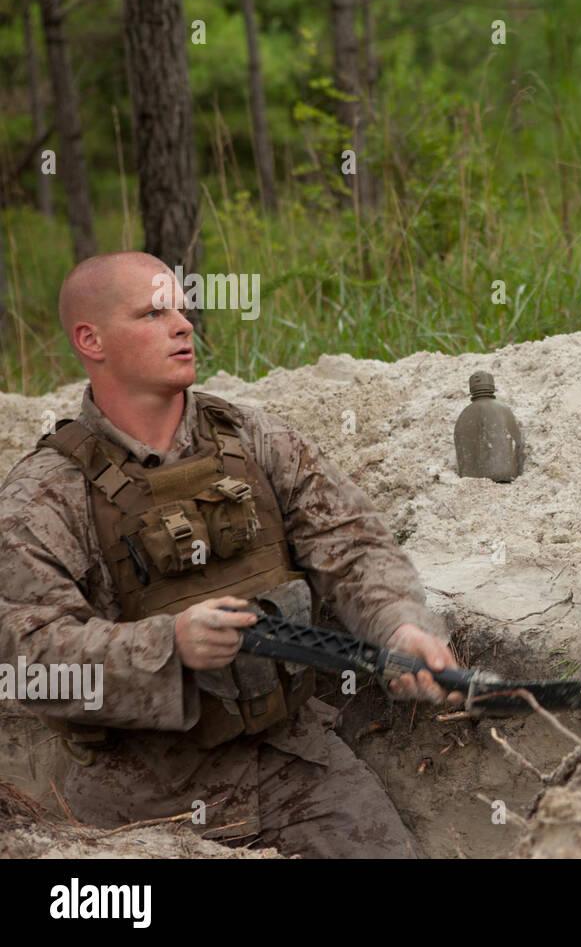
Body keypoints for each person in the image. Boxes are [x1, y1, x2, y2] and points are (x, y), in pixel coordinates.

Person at [0, 251, 459, 857]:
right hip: (140, 800)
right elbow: (26, 658)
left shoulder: (256, 440)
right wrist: (170, 645)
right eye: (154, 312)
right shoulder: (45, 492)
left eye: (183, 308)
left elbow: (352, 544)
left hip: (295, 762)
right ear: (92, 339)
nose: (184, 325)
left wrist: (401, 625)